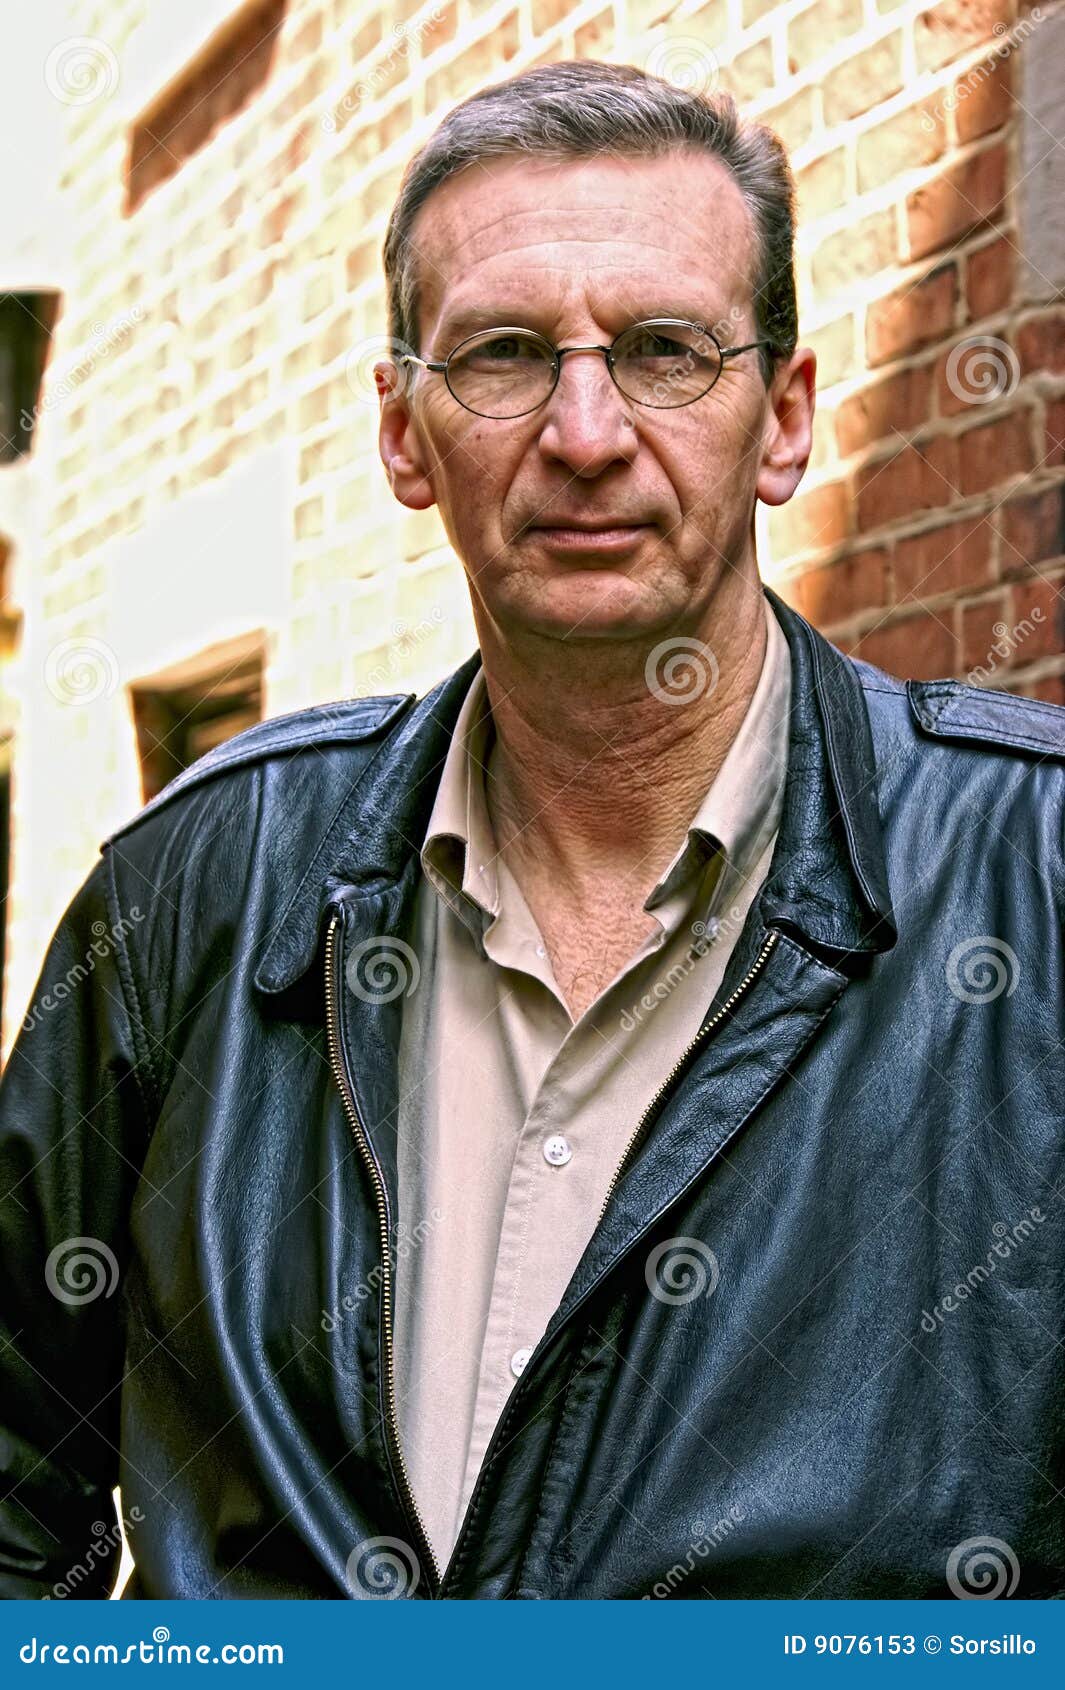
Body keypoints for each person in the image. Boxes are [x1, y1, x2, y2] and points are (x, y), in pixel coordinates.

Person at [0, 60, 1061, 1602]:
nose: (583, 430)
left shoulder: (1028, 884)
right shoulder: (194, 891)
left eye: (662, 350)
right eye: (502, 354)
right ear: (405, 434)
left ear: (784, 419)